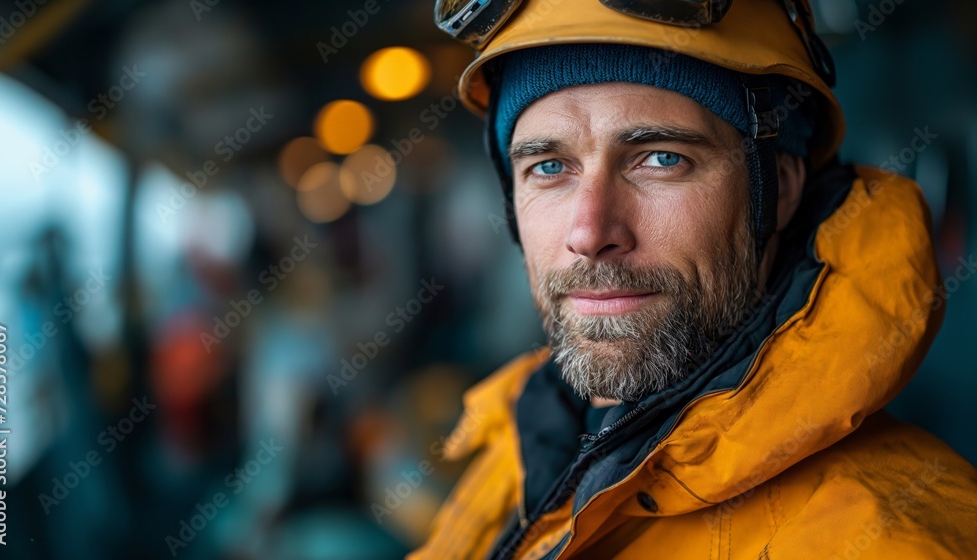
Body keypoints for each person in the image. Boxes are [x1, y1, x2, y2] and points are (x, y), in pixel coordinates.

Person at [411, 0, 977, 558]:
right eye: (549, 168)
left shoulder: (893, 539)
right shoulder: (519, 444)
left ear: (776, 189)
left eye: (660, 158)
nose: (589, 232)